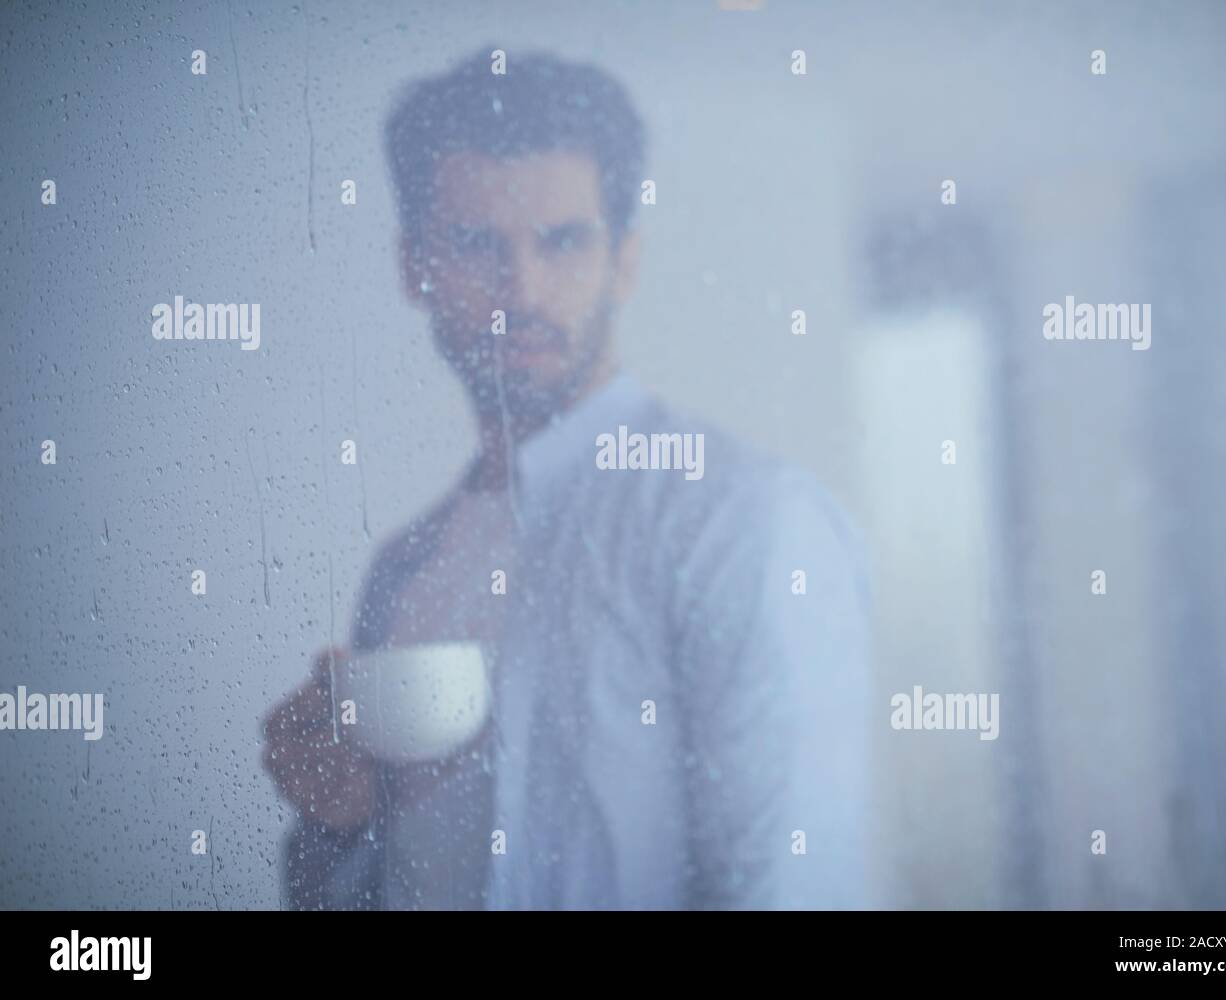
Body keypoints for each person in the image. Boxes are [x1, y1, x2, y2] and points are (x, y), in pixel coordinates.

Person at [261, 45, 877, 910]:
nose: (523, 287)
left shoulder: (744, 521)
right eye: (476, 245)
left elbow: (793, 890)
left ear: (624, 259)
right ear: (414, 268)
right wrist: (335, 822)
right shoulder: (402, 572)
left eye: (563, 240)